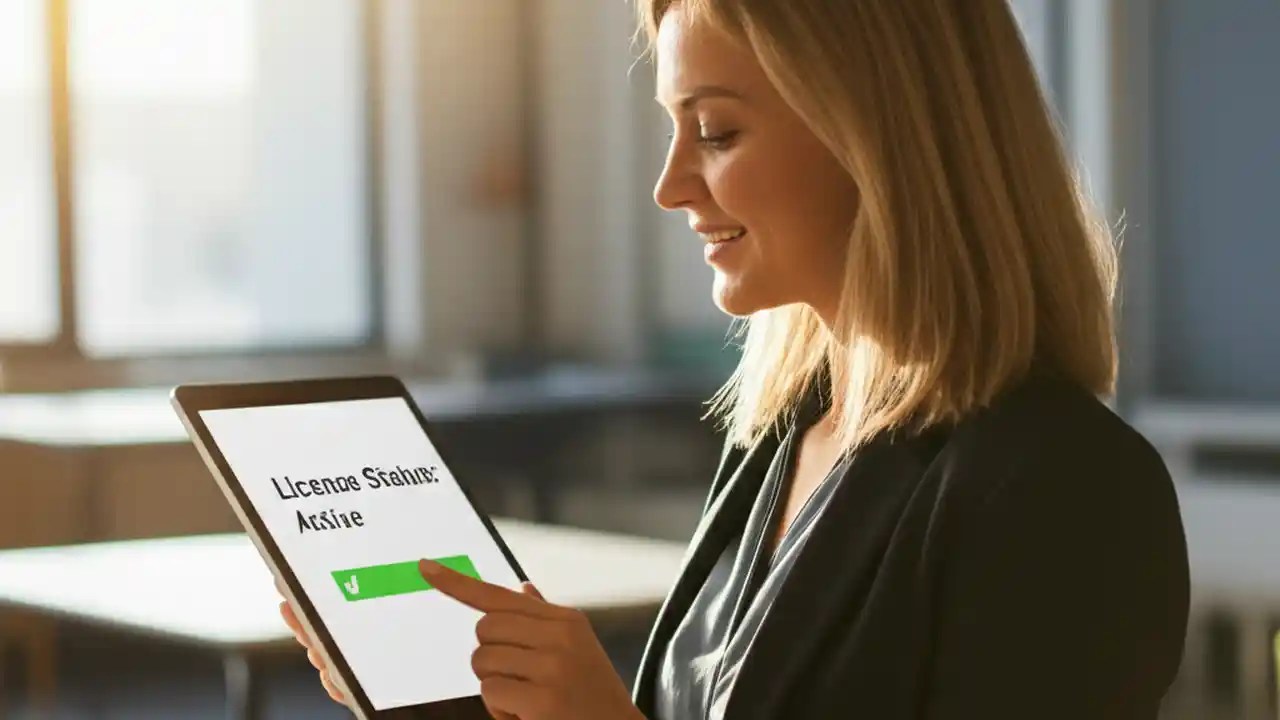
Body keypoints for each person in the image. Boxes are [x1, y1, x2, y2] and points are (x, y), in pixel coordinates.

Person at [280, 0, 1191, 717]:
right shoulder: (788, 438)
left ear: (875, 135)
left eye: (715, 131)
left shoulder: (1068, 487)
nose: (670, 185)